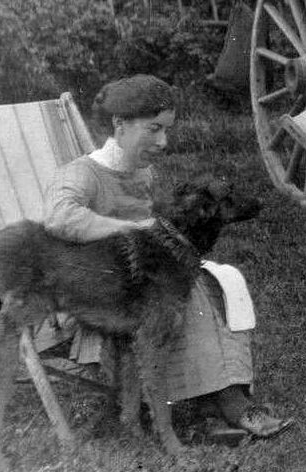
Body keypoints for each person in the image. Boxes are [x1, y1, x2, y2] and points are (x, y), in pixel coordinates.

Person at [42, 75, 291, 441]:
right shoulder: (81, 174)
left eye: (166, 131)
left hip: (144, 285)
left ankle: (211, 406)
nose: (163, 142)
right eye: (154, 130)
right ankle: (227, 404)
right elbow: (59, 218)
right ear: (119, 125)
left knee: (216, 280)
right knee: (185, 294)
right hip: (98, 303)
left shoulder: (142, 172)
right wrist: (134, 229)